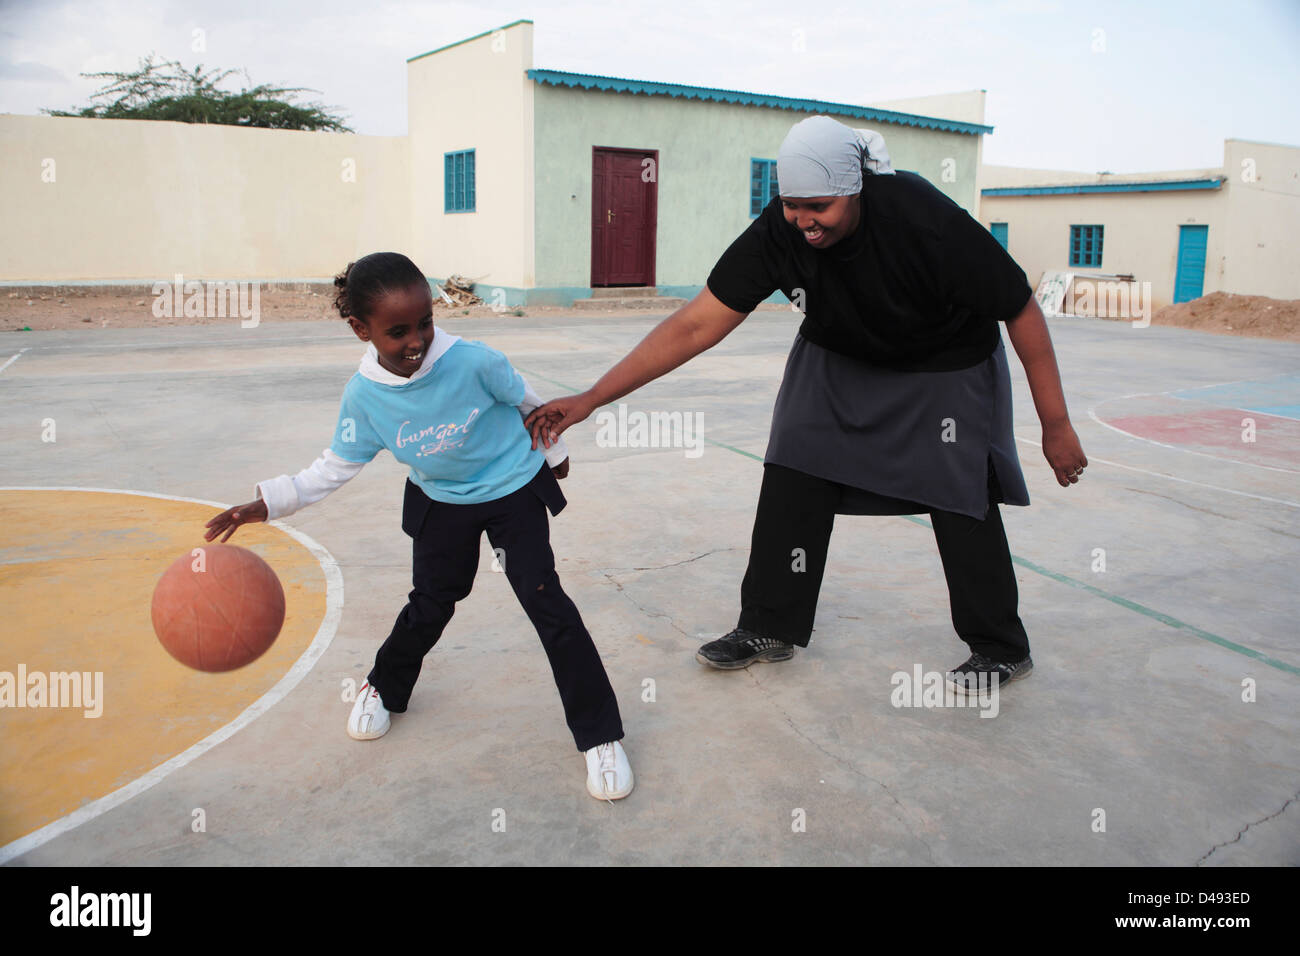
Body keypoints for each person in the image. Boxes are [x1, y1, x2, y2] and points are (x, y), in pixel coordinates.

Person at [526, 116, 1087, 694]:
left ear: (855, 188)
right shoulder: (780, 230)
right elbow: (697, 324)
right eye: (792, 205)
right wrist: (593, 397)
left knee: (958, 491)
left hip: (944, 363)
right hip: (838, 356)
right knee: (794, 466)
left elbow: (1020, 307)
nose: (803, 221)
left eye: (818, 206)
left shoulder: (924, 218)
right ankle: (769, 626)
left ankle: (999, 645)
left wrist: (1056, 424)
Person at [203, 252, 633, 801]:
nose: (417, 340)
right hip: (441, 501)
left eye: (425, 322)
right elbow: (335, 465)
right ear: (361, 329)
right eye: (397, 331)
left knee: (546, 601)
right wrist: (269, 502)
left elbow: (525, 398)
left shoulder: (473, 361)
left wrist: (555, 451)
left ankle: (600, 736)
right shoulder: (365, 396)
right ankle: (383, 686)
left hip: (512, 489)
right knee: (432, 601)